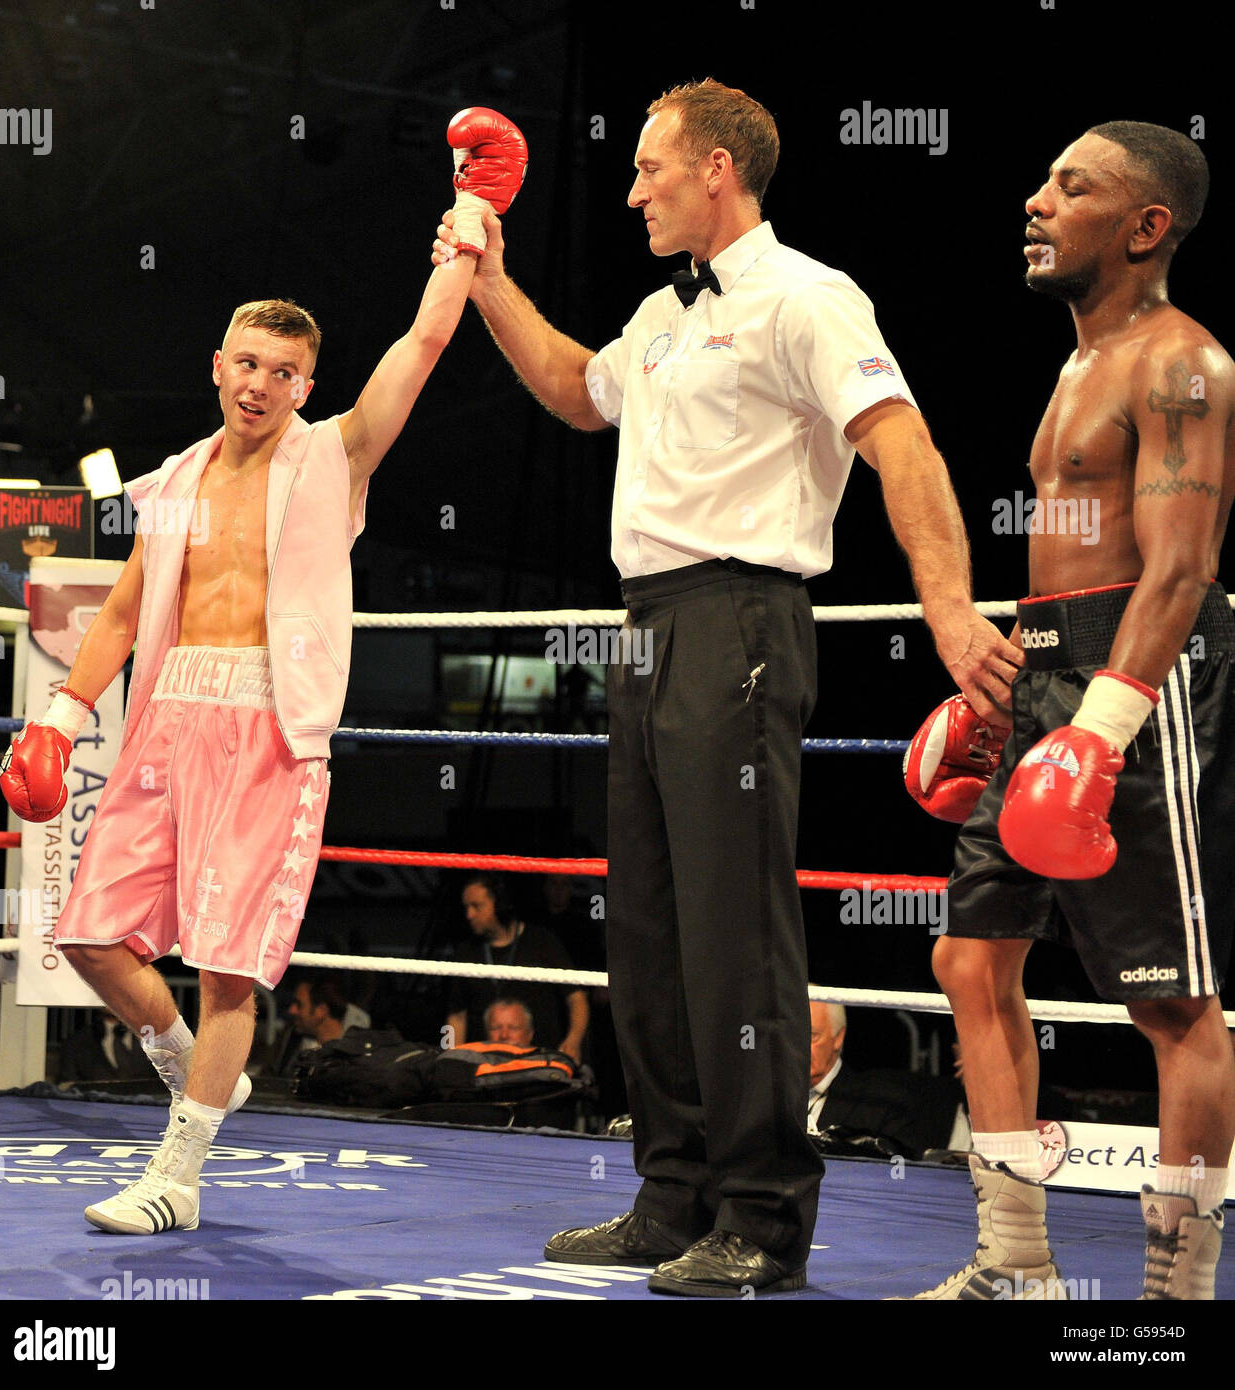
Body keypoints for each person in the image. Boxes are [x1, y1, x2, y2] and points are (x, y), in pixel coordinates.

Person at [435, 78, 1020, 1296]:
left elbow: (899, 440)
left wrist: (949, 610)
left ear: (714, 169)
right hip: (644, 626)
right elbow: (566, 387)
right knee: (646, 927)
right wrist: (485, 274)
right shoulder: (655, 314)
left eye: (651, 167)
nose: (634, 186)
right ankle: (672, 1192)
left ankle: (759, 1209)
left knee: (732, 930)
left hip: (741, 614)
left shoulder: (807, 295)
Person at [0, 108, 528, 1236]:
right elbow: (130, 609)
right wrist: (59, 711)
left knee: (229, 963)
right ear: (218, 364)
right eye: (246, 361)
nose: (260, 382)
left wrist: (474, 211)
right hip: (164, 718)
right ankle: (196, 1067)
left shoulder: (334, 457)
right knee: (90, 930)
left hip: (269, 729)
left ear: (302, 384)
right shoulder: (178, 478)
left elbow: (421, 348)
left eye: (283, 370)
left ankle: (178, 1178)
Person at [908, 122, 1234, 1301]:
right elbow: (1066, 557)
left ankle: (1174, 1296)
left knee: (1172, 1003)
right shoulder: (1073, 363)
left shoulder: (1180, 361)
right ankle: (1012, 1265)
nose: (1035, 201)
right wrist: (1003, 679)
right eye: (1041, 177)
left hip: (1138, 684)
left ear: (1145, 227)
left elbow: (1176, 567)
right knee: (967, 954)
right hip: (1047, 672)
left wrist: (1097, 729)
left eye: (1070, 186)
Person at [445, 873, 589, 1061]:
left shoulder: (542, 942)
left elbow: (576, 997)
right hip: (486, 1066)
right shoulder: (465, 952)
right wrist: (455, 1060)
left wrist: (574, 1041)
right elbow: (457, 1016)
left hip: (542, 1062)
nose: (469, 915)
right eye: (467, 907)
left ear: (500, 904)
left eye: (476, 906)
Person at [806, 999, 969, 1156]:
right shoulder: (781, 1096)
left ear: (838, 1038)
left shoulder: (882, 1104)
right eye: (790, 1034)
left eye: (812, 1035)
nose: (799, 1045)